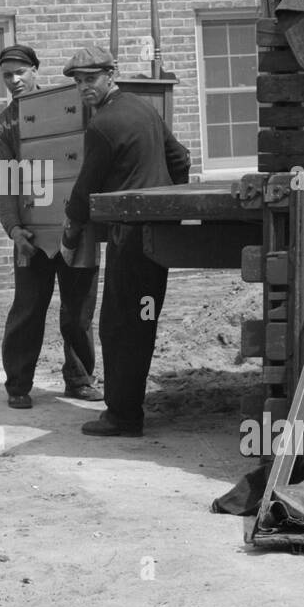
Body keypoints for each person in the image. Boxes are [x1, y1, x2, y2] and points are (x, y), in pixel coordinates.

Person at [59, 47, 190, 437]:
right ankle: (129, 406)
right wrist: (170, 207)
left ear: (110, 74)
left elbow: (84, 190)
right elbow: (180, 158)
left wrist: (69, 235)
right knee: (144, 318)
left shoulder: (102, 125)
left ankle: (124, 415)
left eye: (91, 80)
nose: (84, 87)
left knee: (119, 326)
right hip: (158, 239)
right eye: (78, 82)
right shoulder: (143, 109)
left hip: (130, 239)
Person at [0, 43, 102, 410]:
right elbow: (7, 183)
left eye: (20, 72)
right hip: (31, 233)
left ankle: (80, 379)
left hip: (76, 227)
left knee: (78, 309)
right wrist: (13, 229)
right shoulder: (4, 125)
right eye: (7, 75)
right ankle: (18, 384)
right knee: (28, 308)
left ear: (36, 70)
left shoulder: (71, 107)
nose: (15, 80)